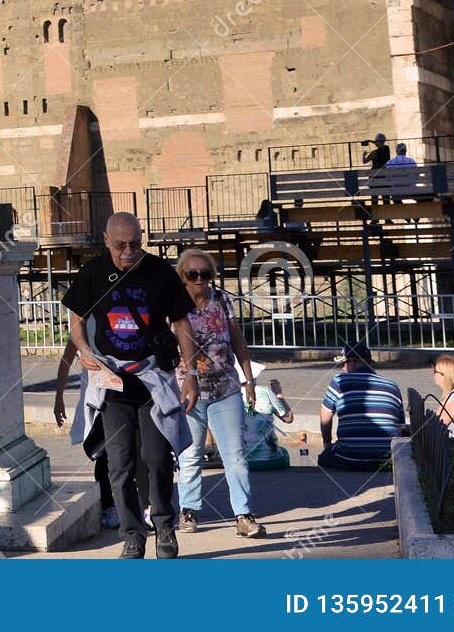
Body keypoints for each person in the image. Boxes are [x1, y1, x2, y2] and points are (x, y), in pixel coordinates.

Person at [62, 212, 199, 559]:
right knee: (119, 464)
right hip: (113, 382)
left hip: (153, 378)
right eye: (120, 245)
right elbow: (76, 319)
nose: (128, 251)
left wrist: (191, 374)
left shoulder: (159, 272)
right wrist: (84, 349)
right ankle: (132, 535)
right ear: (106, 240)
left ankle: (164, 526)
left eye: (135, 244)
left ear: (143, 238)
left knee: (157, 457)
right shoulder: (93, 272)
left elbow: (182, 322)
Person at [172, 249, 266, 539]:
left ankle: (243, 515)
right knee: (190, 453)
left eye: (205, 273)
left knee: (235, 454)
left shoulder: (222, 299)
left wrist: (249, 380)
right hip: (187, 389)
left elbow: (237, 338)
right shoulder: (173, 303)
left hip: (225, 387)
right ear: (182, 276)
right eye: (192, 274)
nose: (199, 279)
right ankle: (188, 510)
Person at [53, 340, 148, 530]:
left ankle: (146, 505)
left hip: (134, 392)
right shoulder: (81, 330)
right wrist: (58, 397)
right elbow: (66, 360)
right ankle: (108, 505)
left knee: (140, 450)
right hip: (100, 399)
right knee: (104, 452)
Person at [318, 341, 404, 472]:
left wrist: (327, 444)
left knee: (324, 458)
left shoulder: (339, 381)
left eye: (343, 364)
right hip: (386, 459)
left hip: (348, 458)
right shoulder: (392, 385)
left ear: (352, 362)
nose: (342, 369)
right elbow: (401, 427)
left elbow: (325, 416)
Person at [243, 362, 295, 470]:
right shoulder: (264, 391)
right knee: (284, 452)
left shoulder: (230, 396)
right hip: (268, 459)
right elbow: (288, 418)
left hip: (240, 462)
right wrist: (278, 393)